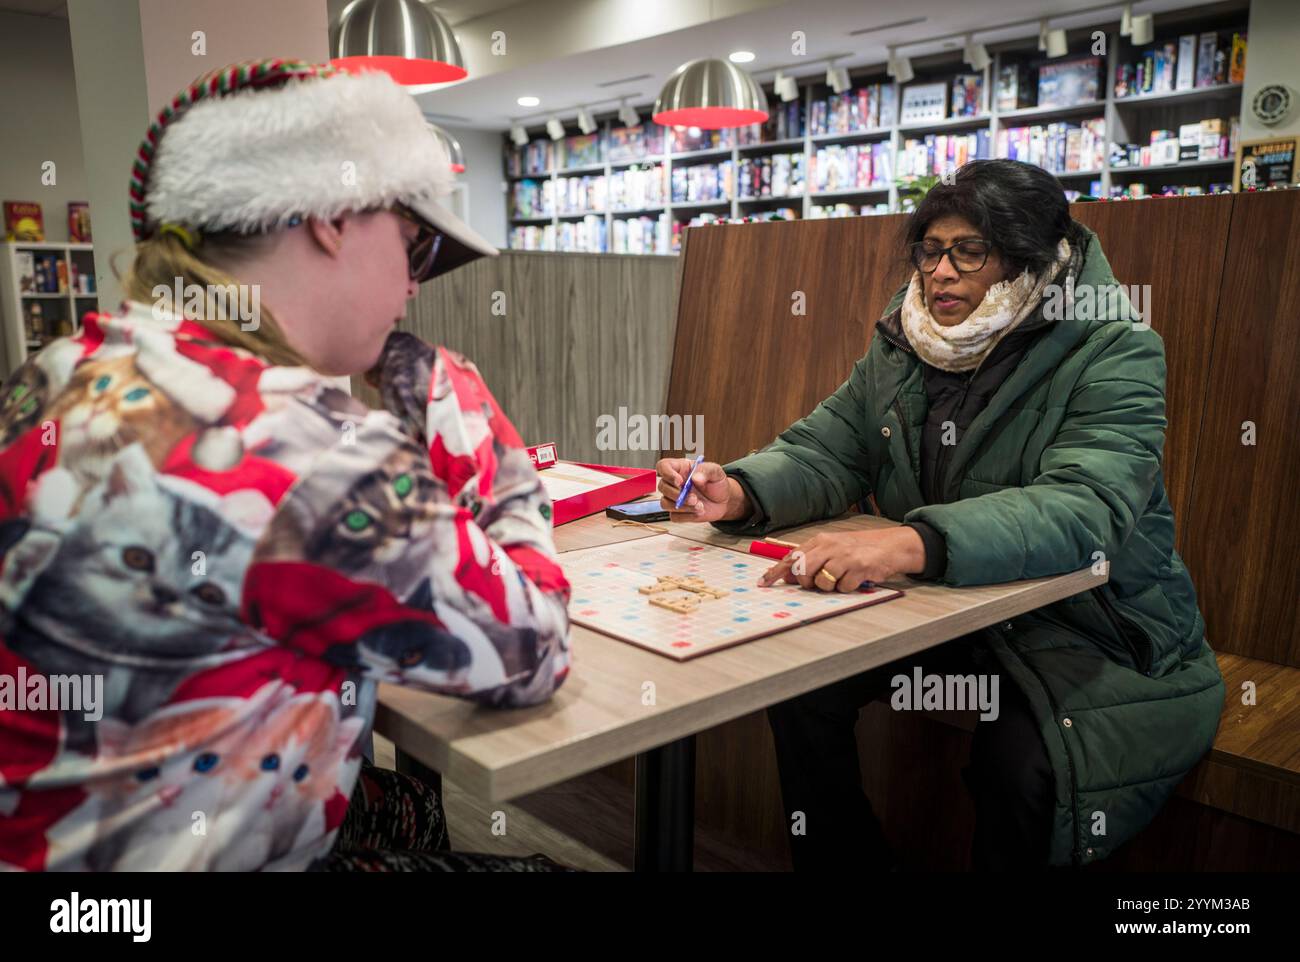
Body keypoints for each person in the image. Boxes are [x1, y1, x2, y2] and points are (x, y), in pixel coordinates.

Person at [0, 59, 570, 872]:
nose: (413, 291)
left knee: (406, 808)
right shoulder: (305, 444)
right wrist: (472, 422)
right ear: (334, 218)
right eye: (414, 249)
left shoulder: (58, 371)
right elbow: (534, 648)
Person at [656, 159, 1224, 870]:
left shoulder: (1114, 348)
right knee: (799, 684)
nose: (940, 274)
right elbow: (832, 448)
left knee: (1020, 769)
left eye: (969, 252)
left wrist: (911, 544)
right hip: (952, 608)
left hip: (1091, 629)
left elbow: (1086, 511)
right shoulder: (909, 338)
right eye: (930, 250)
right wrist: (739, 490)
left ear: (1030, 260)